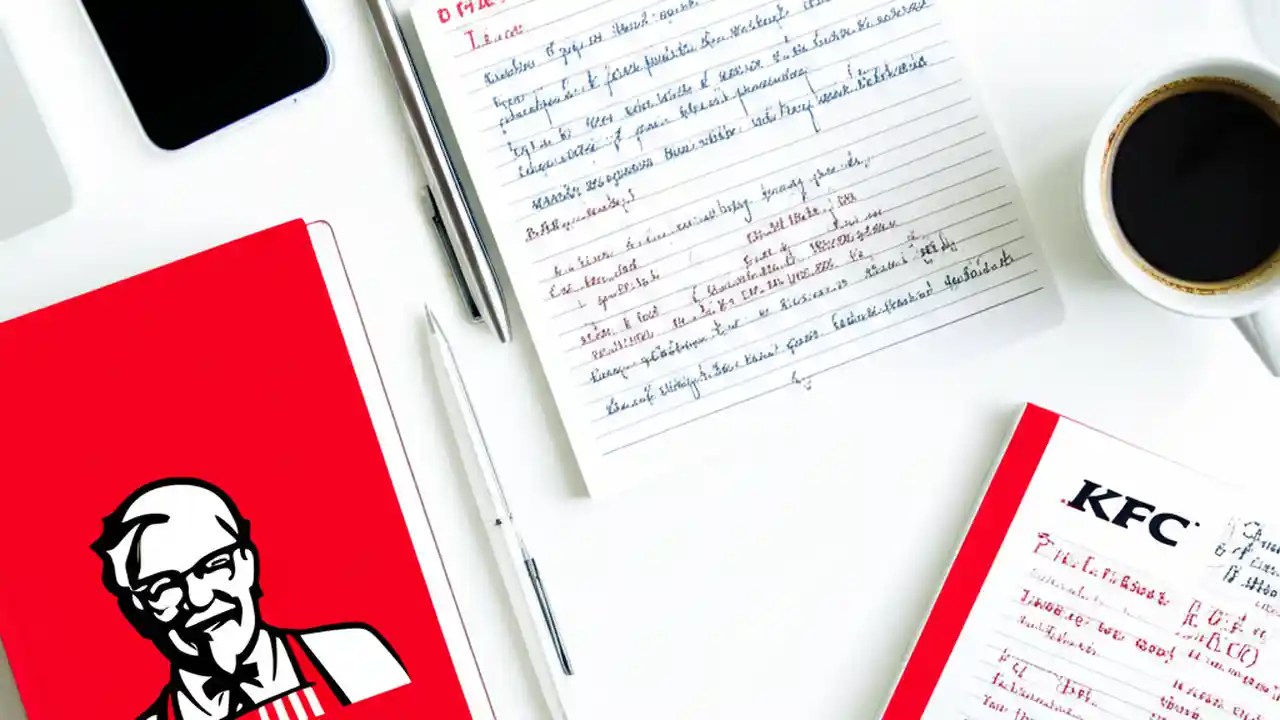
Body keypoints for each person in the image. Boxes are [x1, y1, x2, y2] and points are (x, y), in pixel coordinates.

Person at [92, 478, 411, 720]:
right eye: (163, 587)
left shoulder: (353, 657)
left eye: (214, 565)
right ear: (137, 610)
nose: (199, 599)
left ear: (248, 563)